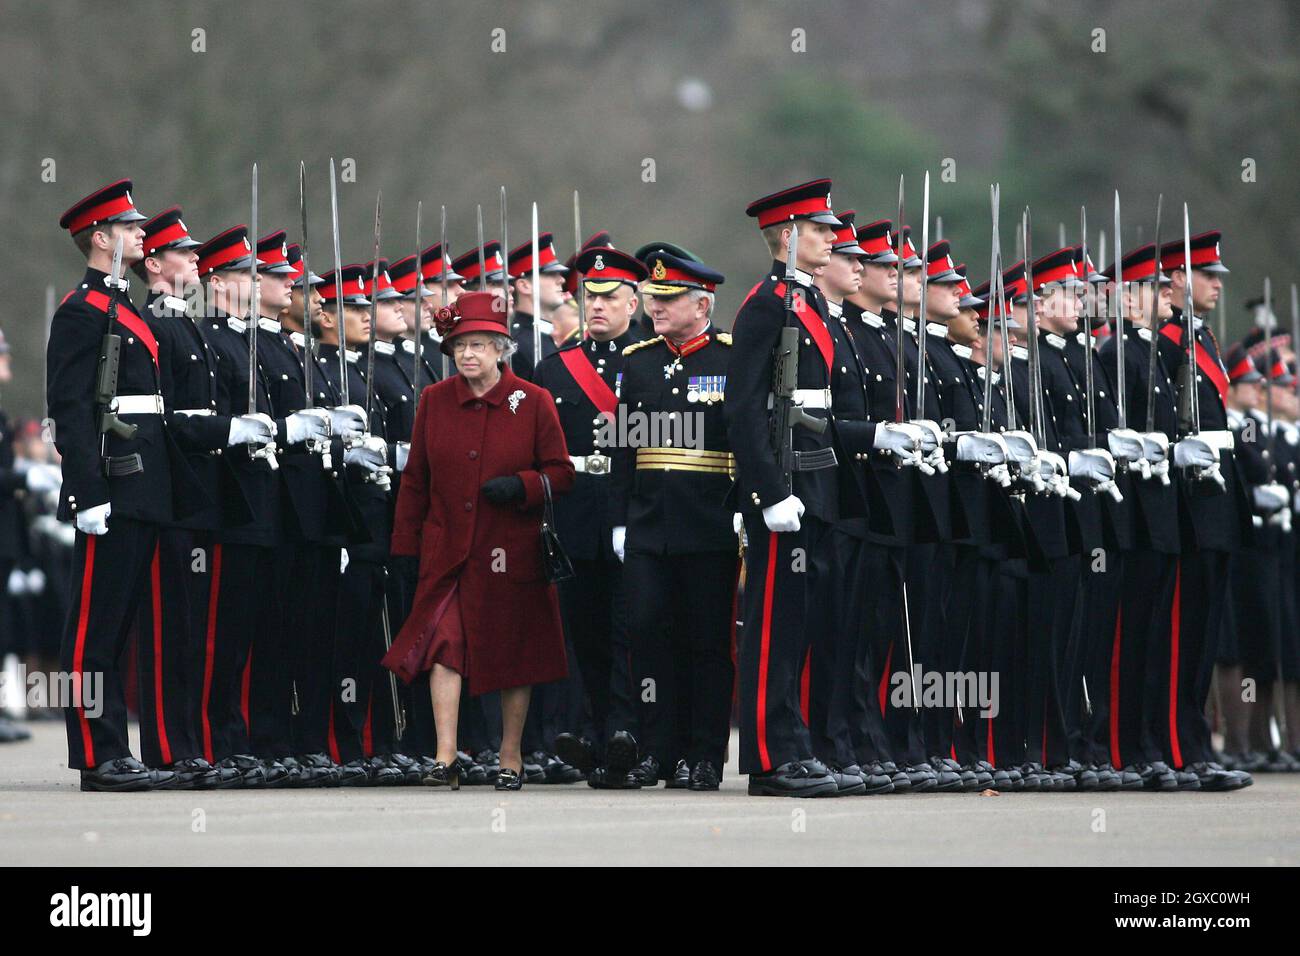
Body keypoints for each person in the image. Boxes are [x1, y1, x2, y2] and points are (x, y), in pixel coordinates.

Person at [382, 291, 576, 791]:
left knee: (514, 654)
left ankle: (510, 755)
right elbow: (415, 480)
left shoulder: (532, 402)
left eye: (481, 345)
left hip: (510, 550)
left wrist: (524, 486)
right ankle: (445, 756)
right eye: (460, 345)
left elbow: (562, 473)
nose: (469, 355)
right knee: (444, 646)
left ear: (501, 350)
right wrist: (405, 545)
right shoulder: (434, 401)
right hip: (448, 551)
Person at [47, 179, 184, 791]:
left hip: (145, 484)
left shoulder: (123, 307)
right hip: (111, 486)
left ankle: (117, 750)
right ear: (100, 238)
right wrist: (88, 492)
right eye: (130, 229)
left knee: (120, 625)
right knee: (93, 631)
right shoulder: (80, 312)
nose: (140, 236)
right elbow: (71, 410)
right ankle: (97, 756)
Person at [610, 251, 738, 790]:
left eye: (668, 300)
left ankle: (704, 753)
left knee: (706, 642)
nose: (654, 307)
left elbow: (746, 442)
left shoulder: (734, 357)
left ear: (702, 304)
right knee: (646, 634)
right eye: (652, 299)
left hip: (709, 522)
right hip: (648, 525)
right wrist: (620, 519)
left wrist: (744, 511)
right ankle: (657, 750)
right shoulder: (637, 359)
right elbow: (624, 448)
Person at [537, 247, 651, 788]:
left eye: (609, 297)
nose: (598, 306)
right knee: (582, 631)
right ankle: (592, 734)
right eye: (591, 297)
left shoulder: (650, 361)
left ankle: (631, 735)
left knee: (629, 629)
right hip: (576, 509)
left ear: (635, 301)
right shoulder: (554, 367)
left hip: (631, 509)